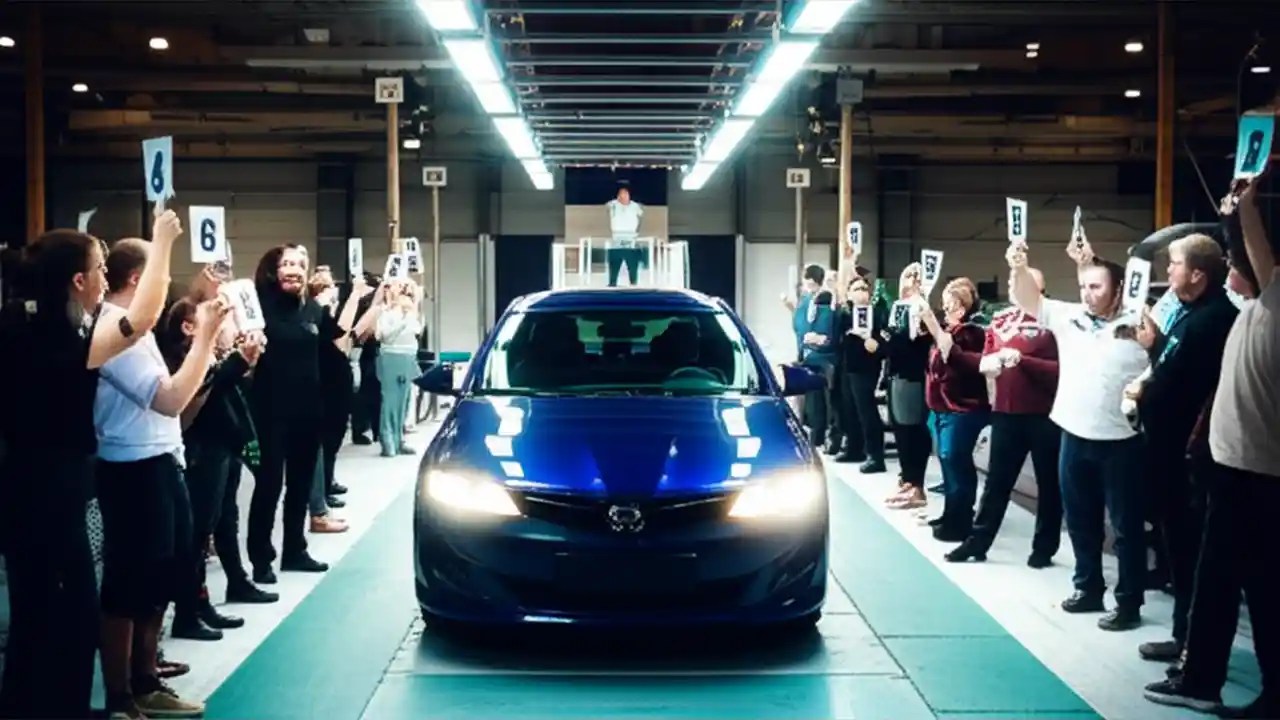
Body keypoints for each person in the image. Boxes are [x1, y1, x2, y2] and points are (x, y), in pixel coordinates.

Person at [0, 209, 180, 720]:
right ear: (78, 281)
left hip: (46, 497)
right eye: (100, 268)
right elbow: (141, 317)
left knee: (52, 620)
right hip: (44, 502)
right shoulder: (52, 340)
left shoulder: (37, 328)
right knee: (60, 623)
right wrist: (162, 243)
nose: (106, 277)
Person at [1145, 174, 1279, 718]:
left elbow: (1256, 255)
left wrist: (1243, 209)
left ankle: (1258, 689)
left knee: (1260, 590)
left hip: (1259, 474)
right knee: (1219, 582)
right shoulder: (1247, 308)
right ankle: (1202, 677)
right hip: (1230, 468)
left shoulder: (1275, 299)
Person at [92, 238, 223, 718]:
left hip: (164, 458)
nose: (168, 282)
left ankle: (146, 678)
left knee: (164, 574)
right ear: (138, 279)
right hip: (131, 468)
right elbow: (169, 399)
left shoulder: (142, 330)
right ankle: (120, 694)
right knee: (128, 582)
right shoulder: (113, 330)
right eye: (160, 273)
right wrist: (206, 339)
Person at [1007, 237, 1149, 631]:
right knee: (1081, 520)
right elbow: (1027, 300)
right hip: (1073, 434)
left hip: (1121, 440)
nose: (1088, 294)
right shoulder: (1068, 317)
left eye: (1097, 287)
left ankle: (1129, 601)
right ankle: (1088, 587)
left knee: (1125, 527)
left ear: (1118, 289)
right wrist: (1019, 267)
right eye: (1084, 286)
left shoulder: (1140, 325)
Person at [1128, 233, 1238, 663]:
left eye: (1173, 263)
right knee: (1179, 549)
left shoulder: (1214, 320)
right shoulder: (1189, 314)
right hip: (1169, 454)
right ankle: (1183, 635)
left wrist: (1153, 359)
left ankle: (1194, 646)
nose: (1167, 270)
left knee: (1193, 553)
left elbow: (1182, 383)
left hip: (1190, 458)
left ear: (1197, 273)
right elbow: (1171, 369)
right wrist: (1154, 347)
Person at [946, 266, 1061, 567]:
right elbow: (986, 360)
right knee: (997, 482)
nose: (1013, 285)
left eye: (1021, 281)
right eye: (1012, 280)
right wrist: (989, 364)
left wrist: (1025, 362)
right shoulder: (1000, 320)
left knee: (1049, 485)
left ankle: (1044, 547)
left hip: (1045, 415)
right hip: (1006, 413)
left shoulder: (1055, 321)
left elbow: (1062, 371)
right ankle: (978, 540)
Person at [246, 244, 339, 584]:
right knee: (269, 486)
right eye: (286, 264)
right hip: (270, 413)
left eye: (300, 264)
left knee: (300, 486)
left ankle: (294, 550)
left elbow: (341, 344)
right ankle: (260, 558)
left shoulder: (313, 310)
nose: (294, 269)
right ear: (274, 270)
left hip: (308, 413)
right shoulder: (259, 307)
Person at [912, 277, 990, 542]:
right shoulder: (949, 330)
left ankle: (961, 521)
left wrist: (935, 326)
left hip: (963, 408)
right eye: (944, 306)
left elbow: (952, 356)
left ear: (963, 308)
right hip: (944, 408)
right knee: (947, 462)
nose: (945, 311)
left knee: (957, 462)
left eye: (950, 306)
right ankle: (950, 513)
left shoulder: (971, 332)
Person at [838, 275, 887, 472]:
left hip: (866, 368)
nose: (861, 292)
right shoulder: (844, 315)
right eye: (856, 289)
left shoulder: (877, 314)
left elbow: (884, 339)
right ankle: (854, 448)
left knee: (867, 412)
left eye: (864, 288)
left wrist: (875, 344)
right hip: (847, 367)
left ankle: (875, 455)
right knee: (849, 410)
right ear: (849, 294)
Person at [605, 186, 645, 287]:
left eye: (625, 194)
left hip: (631, 240)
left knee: (632, 265)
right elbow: (607, 206)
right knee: (614, 264)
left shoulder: (635, 206)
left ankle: (633, 283)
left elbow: (641, 215)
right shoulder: (613, 205)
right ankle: (612, 283)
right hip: (616, 240)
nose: (623, 197)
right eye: (621, 195)